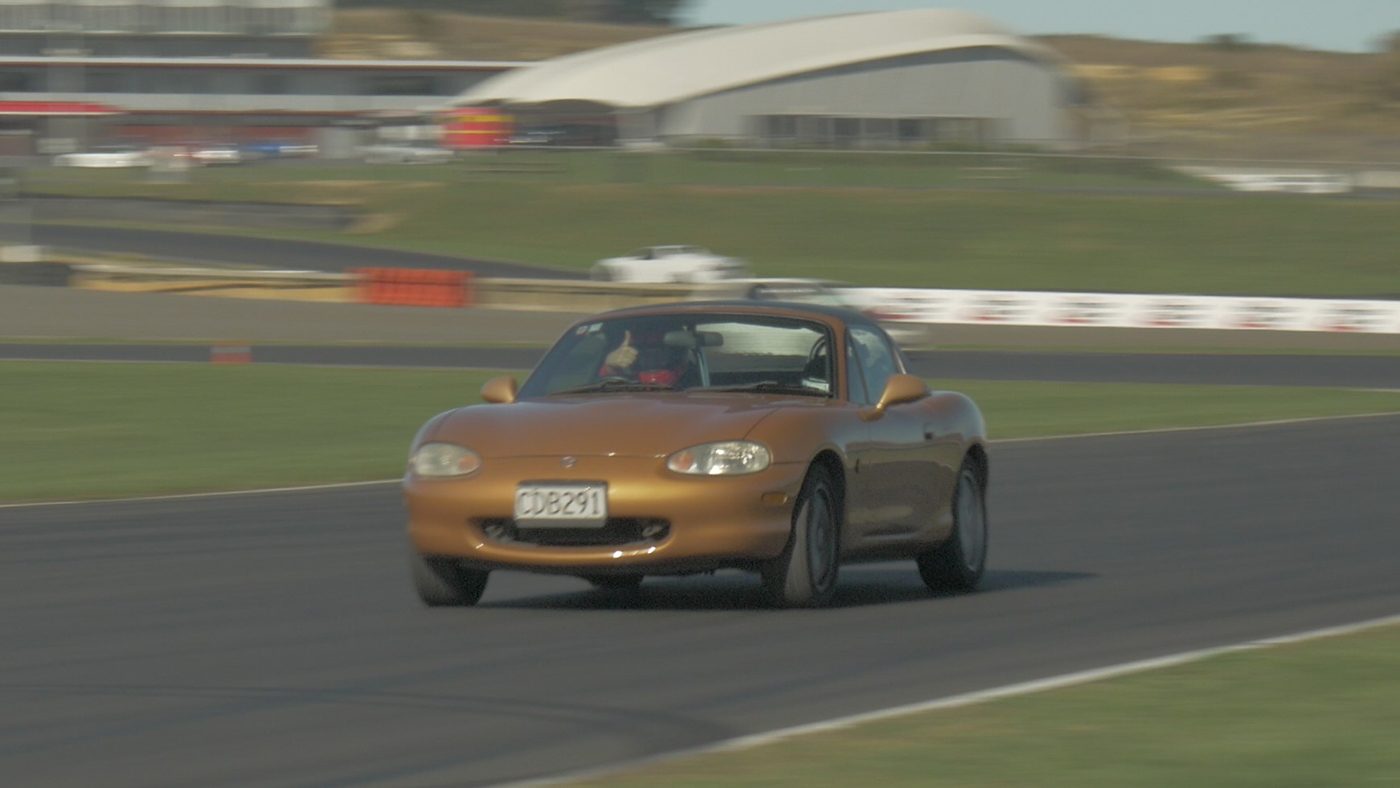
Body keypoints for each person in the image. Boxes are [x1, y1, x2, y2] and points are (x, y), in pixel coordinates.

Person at [599, 328, 692, 387]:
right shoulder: (622, 377)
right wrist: (610, 368)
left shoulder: (695, 377)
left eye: (658, 347)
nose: (651, 354)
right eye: (641, 348)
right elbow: (596, 389)